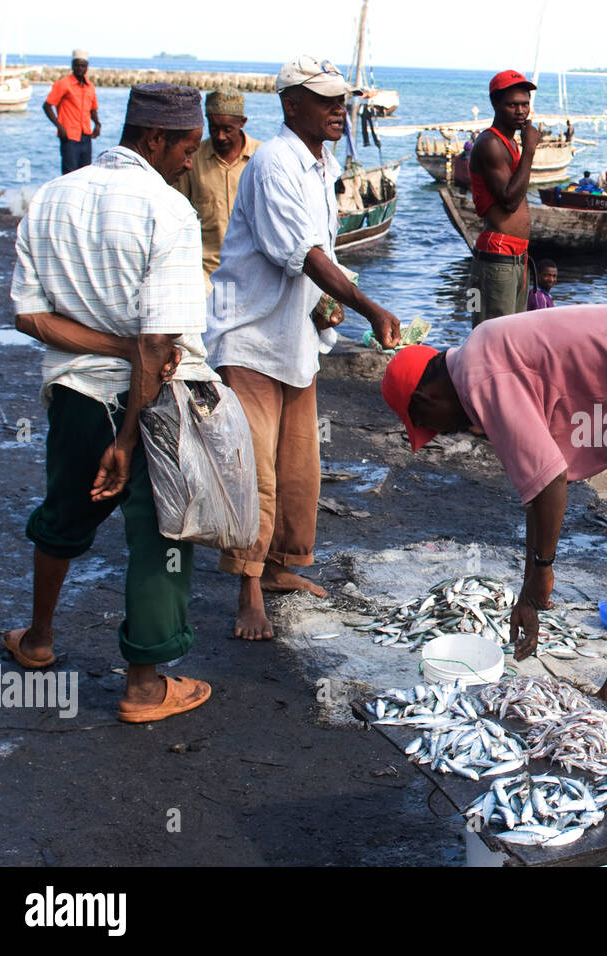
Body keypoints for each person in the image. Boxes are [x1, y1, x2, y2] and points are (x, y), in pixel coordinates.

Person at [381, 305, 607, 719]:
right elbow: (539, 485)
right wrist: (530, 586)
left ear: (427, 398)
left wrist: (543, 571)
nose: (440, 432)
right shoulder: (483, 353)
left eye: (429, 424)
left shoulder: (482, 375)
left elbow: (550, 481)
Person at [8, 83, 214, 722]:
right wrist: (126, 439)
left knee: (64, 512)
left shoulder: (50, 196)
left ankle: (38, 641)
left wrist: (114, 349)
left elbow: (31, 318)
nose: (190, 160)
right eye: (186, 147)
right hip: (149, 405)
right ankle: (146, 688)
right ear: (155, 139)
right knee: (160, 534)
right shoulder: (169, 209)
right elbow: (157, 343)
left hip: (73, 394)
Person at [204, 56, 401, 642]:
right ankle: (247, 592)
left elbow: (323, 256)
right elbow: (307, 256)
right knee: (254, 473)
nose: (340, 109)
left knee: (298, 469)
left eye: (343, 99)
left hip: (295, 338)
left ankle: (282, 569)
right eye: (327, 100)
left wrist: (329, 306)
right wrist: (372, 306)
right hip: (250, 337)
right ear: (292, 105)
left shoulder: (323, 163)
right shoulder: (272, 164)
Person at [468, 69, 541, 326]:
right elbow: (509, 201)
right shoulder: (490, 143)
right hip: (497, 258)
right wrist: (530, 149)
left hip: (514, 257)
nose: (521, 111)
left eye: (525, 104)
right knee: (493, 335)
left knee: (511, 333)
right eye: (512, 105)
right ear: (495, 104)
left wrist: (525, 148)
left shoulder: (510, 142)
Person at [173, 89, 262, 292]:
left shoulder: (262, 158)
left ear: (242, 122)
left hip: (254, 273)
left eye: (227, 129)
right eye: (214, 129)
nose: (220, 137)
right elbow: (176, 215)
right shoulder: (192, 161)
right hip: (206, 276)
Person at [43, 50, 101, 175]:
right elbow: (47, 106)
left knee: (85, 174)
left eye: (83, 66)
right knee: (69, 174)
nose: (80, 68)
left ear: (87, 67)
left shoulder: (90, 86)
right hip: (69, 136)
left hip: (86, 135)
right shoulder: (63, 84)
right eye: (77, 65)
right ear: (72, 65)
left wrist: (97, 124)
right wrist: (60, 127)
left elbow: (92, 109)